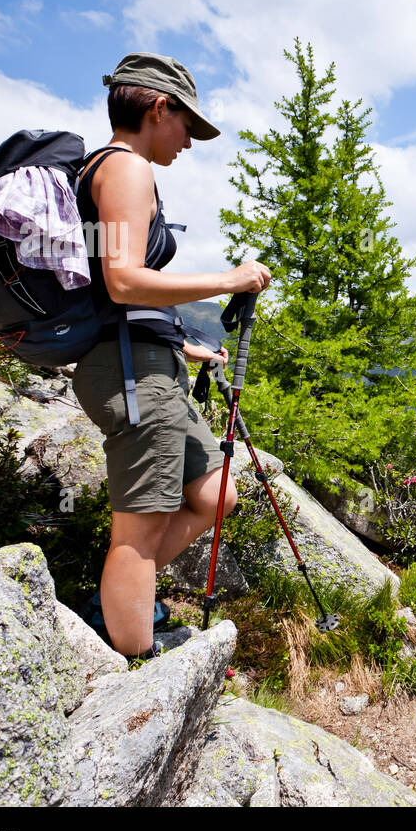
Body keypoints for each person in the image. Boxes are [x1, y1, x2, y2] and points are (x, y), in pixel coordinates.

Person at [72, 52, 271, 658]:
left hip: (149, 361)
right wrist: (230, 280)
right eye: (187, 124)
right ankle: (135, 667)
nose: (189, 140)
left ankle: (120, 598)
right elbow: (124, 282)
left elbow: (115, 293)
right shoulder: (126, 168)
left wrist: (185, 348)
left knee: (216, 496)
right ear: (159, 108)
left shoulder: (112, 171)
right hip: (131, 372)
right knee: (142, 524)